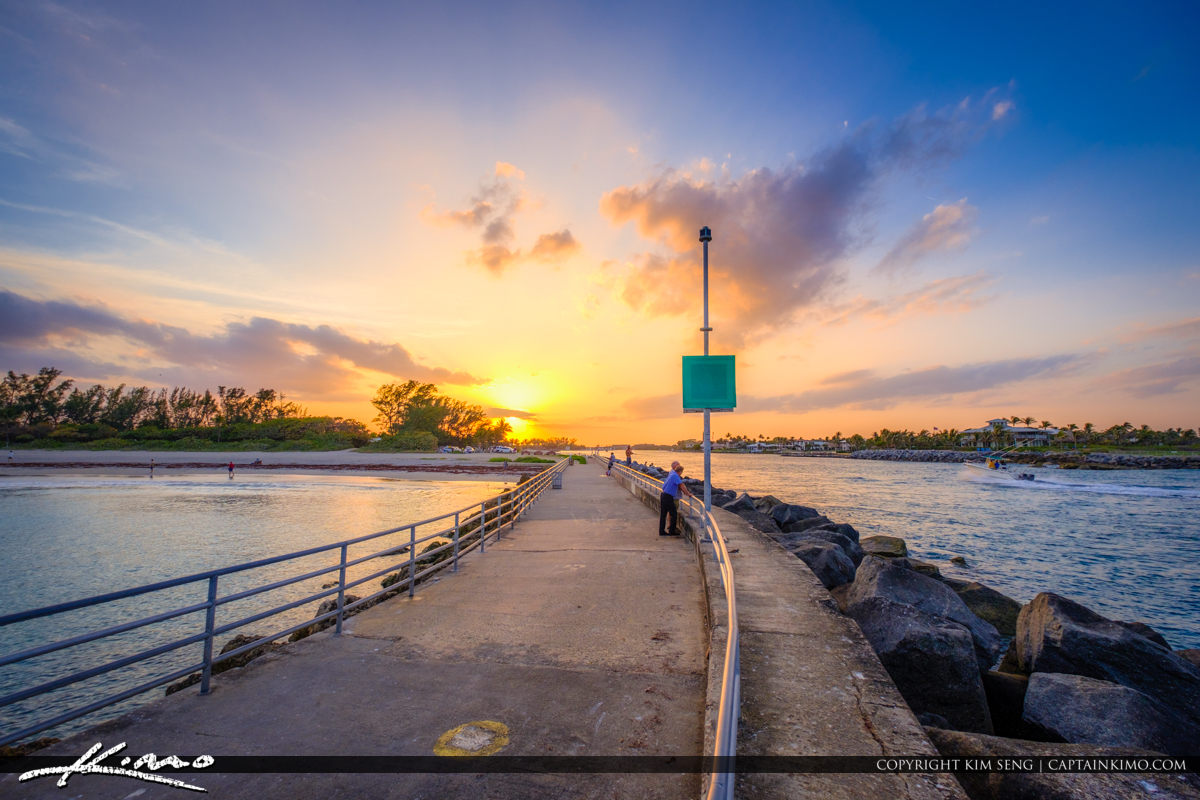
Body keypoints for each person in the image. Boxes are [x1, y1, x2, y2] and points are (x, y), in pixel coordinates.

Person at [659, 461, 694, 537]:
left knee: (663, 514)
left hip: (663, 494)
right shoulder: (675, 476)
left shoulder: (671, 474)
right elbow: (681, 486)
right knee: (674, 514)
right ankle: (672, 531)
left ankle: (661, 531)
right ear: (680, 471)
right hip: (668, 497)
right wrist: (687, 493)